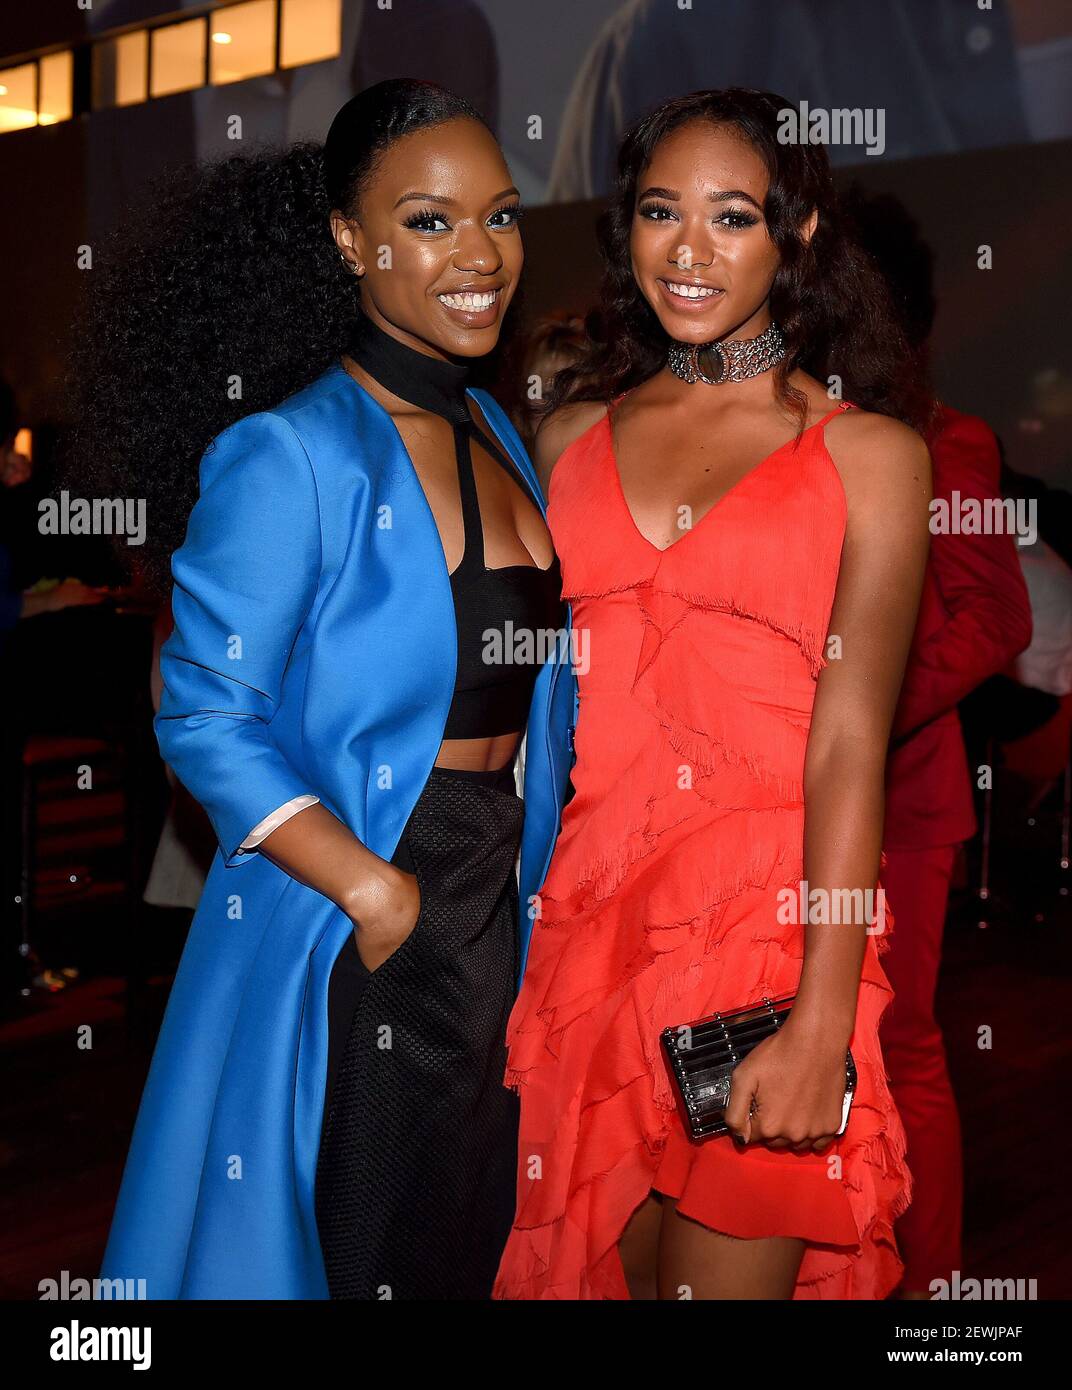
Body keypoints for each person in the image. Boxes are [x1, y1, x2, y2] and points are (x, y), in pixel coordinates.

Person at [94, 79, 575, 1300]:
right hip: (366, 893)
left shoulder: (494, 430)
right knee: (366, 1242)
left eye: (502, 217)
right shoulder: (291, 449)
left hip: (489, 890)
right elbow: (202, 712)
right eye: (429, 221)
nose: (478, 255)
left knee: (458, 1229)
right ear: (349, 242)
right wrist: (371, 888)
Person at [492, 88, 934, 1301]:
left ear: (793, 234)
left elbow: (851, 747)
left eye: (730, 216)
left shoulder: (869, 457)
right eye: (657, 212)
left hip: (766, 930)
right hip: (591, 930)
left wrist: (823, 1017)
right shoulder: (568, 437)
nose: (687, 250)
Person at [844, 188, 1033, 1298]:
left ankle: (936, 1292)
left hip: (904, 803)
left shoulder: (950, 441)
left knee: (901, 1044)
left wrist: (863, 709)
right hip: (793, 800)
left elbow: (995, 620)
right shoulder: (802, 425)